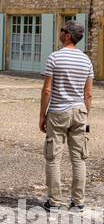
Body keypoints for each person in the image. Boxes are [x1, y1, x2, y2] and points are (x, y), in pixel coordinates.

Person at [39, 20, 94, 211]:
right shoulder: (86, 60)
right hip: (80, 112)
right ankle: (78, 202)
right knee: (78, 158)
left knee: (53, 157)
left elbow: (47, 90)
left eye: (62, 30)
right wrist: (86, 114)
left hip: (58, 111)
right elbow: (88, 93)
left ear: (68, 35)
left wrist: (42, 115)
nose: (60, 33)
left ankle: (54, 201)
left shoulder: (54, 58)